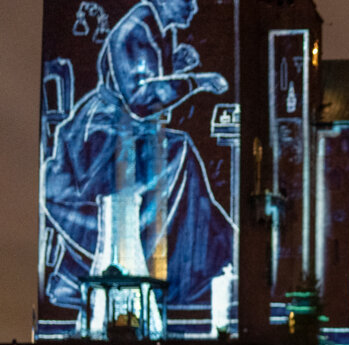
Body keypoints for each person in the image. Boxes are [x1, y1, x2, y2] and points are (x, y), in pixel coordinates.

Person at [42, 0, 234, 318]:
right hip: (104, 142)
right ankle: (193, 268)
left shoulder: (154, 29)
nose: (194, 7)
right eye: (187, 0)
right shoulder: (135, 30)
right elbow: (140, 99)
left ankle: (205, 260)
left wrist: (178, 68)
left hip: (125, 133)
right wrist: (195, 82)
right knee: (177, 153)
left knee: (176, 150)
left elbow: (145, 82)